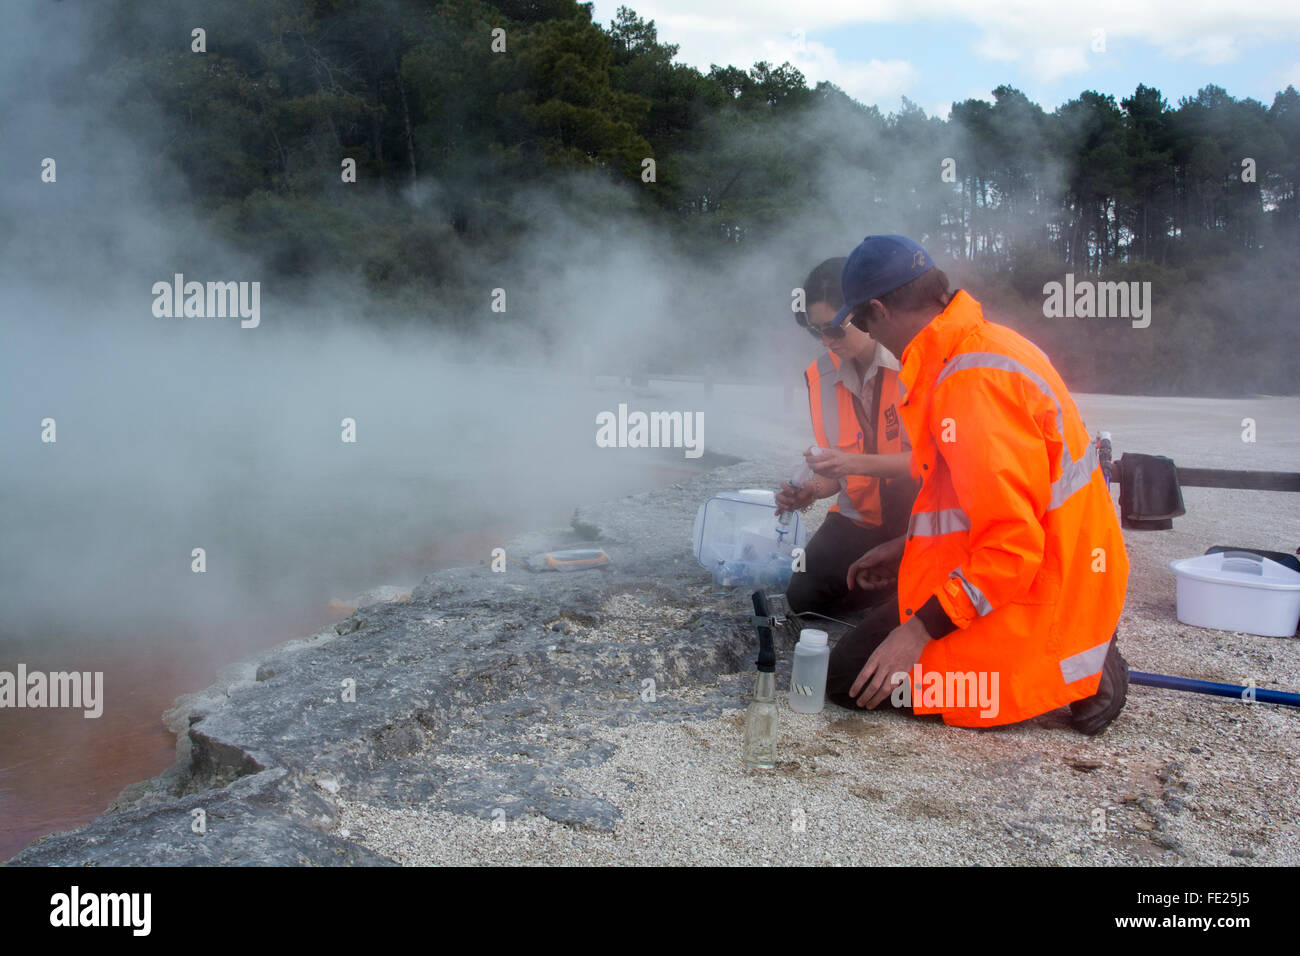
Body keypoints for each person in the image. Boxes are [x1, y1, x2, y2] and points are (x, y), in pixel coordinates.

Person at [824, 235, 1130, 734]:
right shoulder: (975, 348)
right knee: (853, 670)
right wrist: (908, 548)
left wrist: (920, 630)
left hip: (1041, 585)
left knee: (847, 680)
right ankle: (1077, 645)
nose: (864, 334)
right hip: (1033, 565)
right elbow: (982, 506)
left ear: (878, 310)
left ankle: (1086, 663)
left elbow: (1013, 543)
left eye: (859, 321)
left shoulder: (971, 381)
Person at [777, 257, 916, 620]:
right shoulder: (820, 376)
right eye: (815, 331)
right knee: (804, 596)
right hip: (860, 519)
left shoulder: (914, 362)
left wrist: (854, 463)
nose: (826, 341)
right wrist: (812, 491)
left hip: (918, 518)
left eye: (834, 329)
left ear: (867, 311)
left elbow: (937, 461)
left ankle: (908, 581)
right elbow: (836, 473)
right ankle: (893, 586)